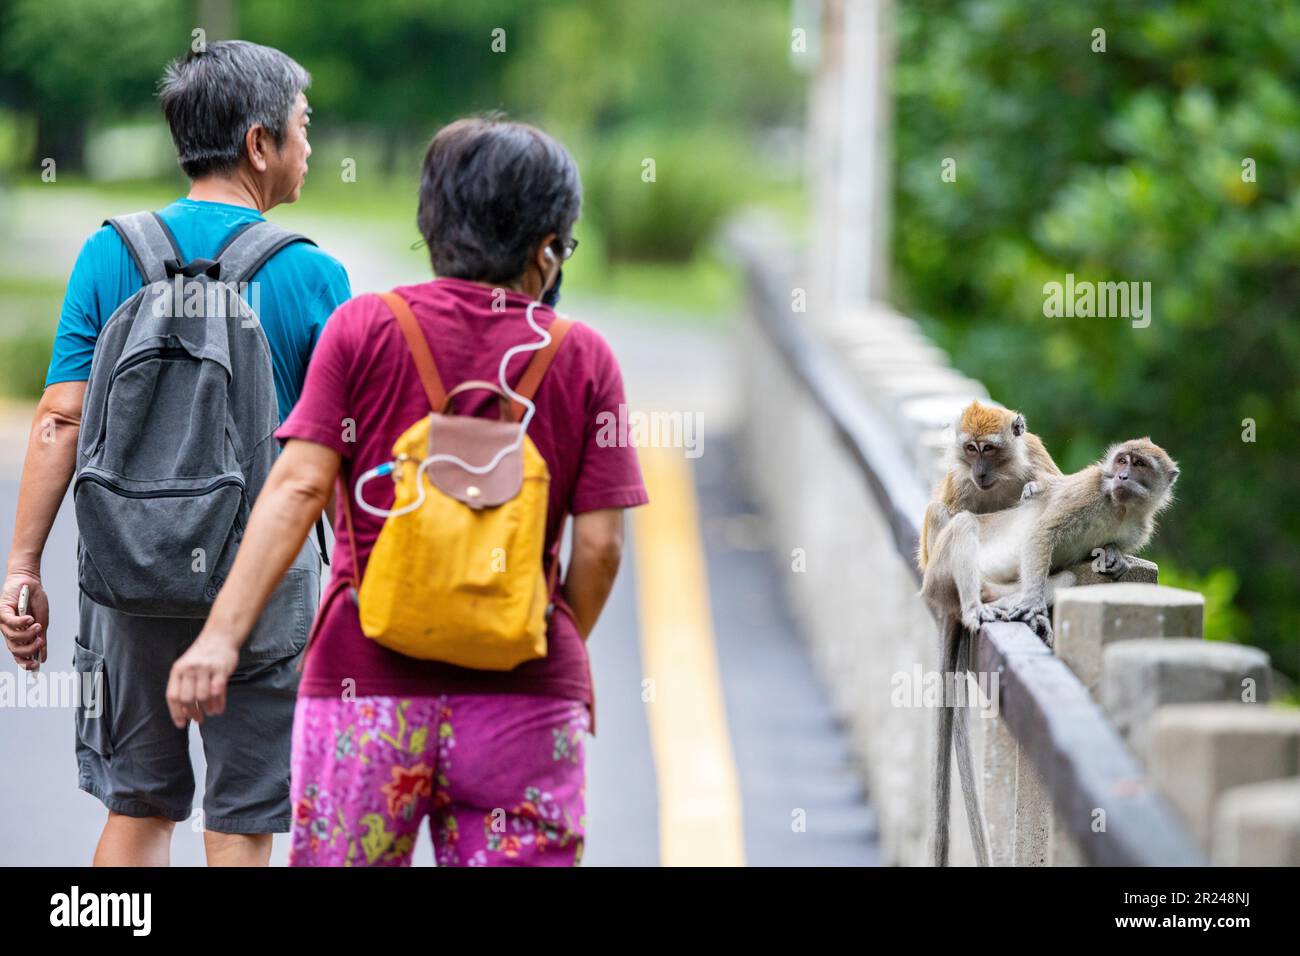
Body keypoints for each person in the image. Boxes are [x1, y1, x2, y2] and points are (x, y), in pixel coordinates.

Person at [164, 115, 648, 866]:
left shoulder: (364, 329)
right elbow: (602, 547)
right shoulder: (585, 358)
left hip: (366, 687)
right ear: (547, 250)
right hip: (523, 701)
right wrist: (543, 640)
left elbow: (295, 489)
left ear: (432, 223)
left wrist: (220, 639)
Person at [0, 40, 351, 866]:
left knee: (137, 808)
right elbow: (335, 456)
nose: (311, 148)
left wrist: (22, 568)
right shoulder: (313, 277)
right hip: (262, 595)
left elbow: (59, 420)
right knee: (238, 822)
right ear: (259, 144)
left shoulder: (108, 253)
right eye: (303, 129)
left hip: (128, 579)